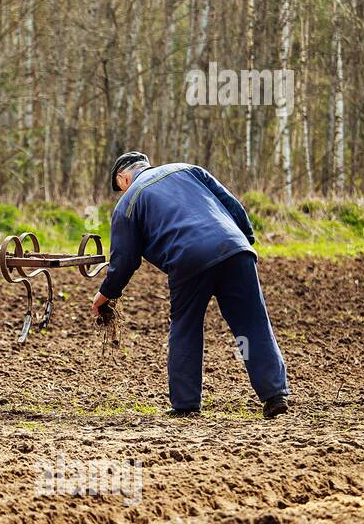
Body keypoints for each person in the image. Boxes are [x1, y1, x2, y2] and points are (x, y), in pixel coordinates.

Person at [91, 151, 290, 418]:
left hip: (189, 259)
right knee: (252, 324)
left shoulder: (129, 201)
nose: (122, 191)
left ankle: (186, 405)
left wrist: (107, 294)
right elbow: (233, 207)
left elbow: (124, 259)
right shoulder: (188, 169)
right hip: (235, 250)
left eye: (120, 188)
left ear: (122, 177)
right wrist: (246, 242)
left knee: (186, 326)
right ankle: (275, 395)